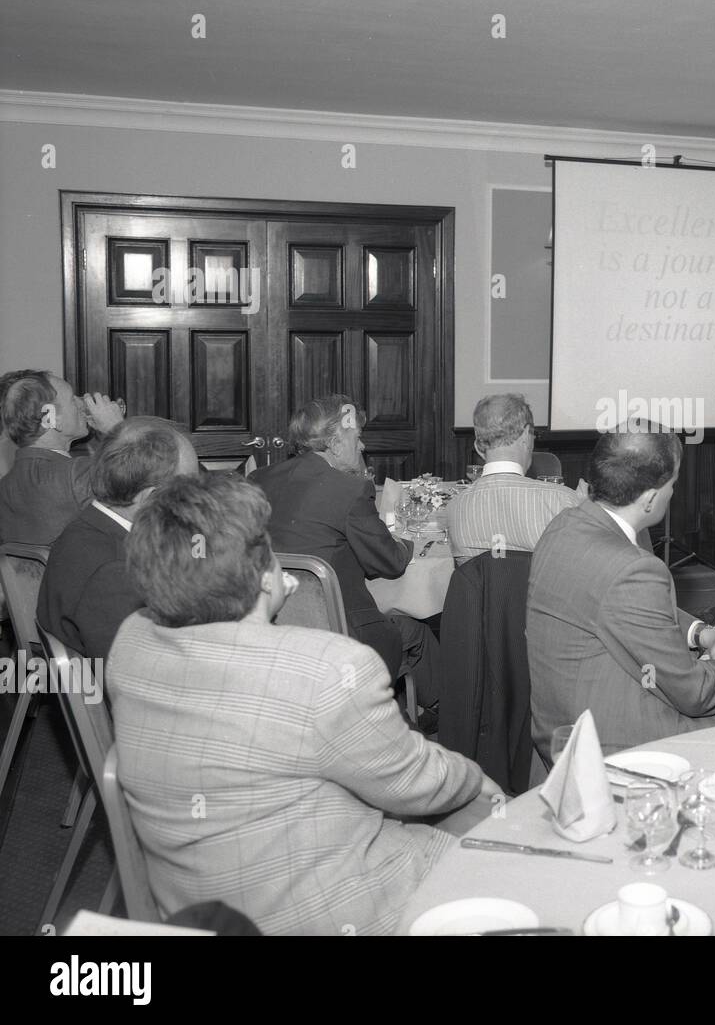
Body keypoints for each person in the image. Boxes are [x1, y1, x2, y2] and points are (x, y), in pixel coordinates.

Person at [109, 471, 500, 936]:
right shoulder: (326, 669)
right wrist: (478, 779)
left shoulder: (130, 640)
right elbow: (418, 784)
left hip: (195, 904)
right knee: (507, 841)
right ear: (262, 572)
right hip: (328, 913)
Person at [527, 425, 715, 758]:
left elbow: (624, 609)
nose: (673, 493)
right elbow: (695, 694)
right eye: (673, 484)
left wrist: (704, 635)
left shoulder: (563, 526)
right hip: (616, 742)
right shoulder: (632, 569)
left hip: (563, 725)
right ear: (650, 499)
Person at [250, 395, 437, 716]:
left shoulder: (259, 480)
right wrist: (407, 542)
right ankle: (439, 717)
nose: (362, 446)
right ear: (336, 443)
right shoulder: (349, 490)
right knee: (418, 630)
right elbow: (389, 562)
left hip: (273, 628)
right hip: (343, 636)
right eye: (357, 437)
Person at [37, 417, 199, 662]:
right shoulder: (114, 573)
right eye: (191, 487)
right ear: (152, 497)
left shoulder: (89, 529)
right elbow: (136, 672)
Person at [448, 393, 583, 563]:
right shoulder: (564, 502)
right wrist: (590, 512)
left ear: (478, 447)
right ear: (526, 436)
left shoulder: (455, 508)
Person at [0, 370, 123, 544]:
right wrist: (117, 430)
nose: (82, 403)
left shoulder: (5, 486)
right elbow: (148, 491)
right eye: (73, 399)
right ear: (50, 418)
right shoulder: (78, 474)